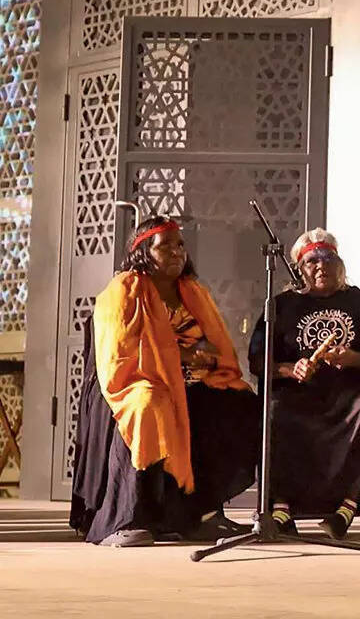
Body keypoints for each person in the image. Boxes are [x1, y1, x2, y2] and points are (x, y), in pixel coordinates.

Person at [70, 217, 259, 546]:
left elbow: (215, 344)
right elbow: (120, 350)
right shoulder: (123, 288)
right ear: (144, 251)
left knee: (239, 401)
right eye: (166, 246)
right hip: (138, 379)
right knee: (148, 405)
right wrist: (180, 355)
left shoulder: (193, 291)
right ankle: (127, 518)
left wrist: (204, 358)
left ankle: (203, 514)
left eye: (180, 245)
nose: (176, 252)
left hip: (190, 381)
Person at [249, 229, 360, 539]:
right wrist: (290, 369)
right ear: (299, 268)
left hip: (349, 396)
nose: (321, 266)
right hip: (296, 396)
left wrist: (354, 358)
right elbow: (257, 362)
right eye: (312, 260)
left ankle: (346, 509)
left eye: (328, 258)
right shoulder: (280, 305)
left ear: (339, 263)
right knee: (274, 410)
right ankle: (281, 509)